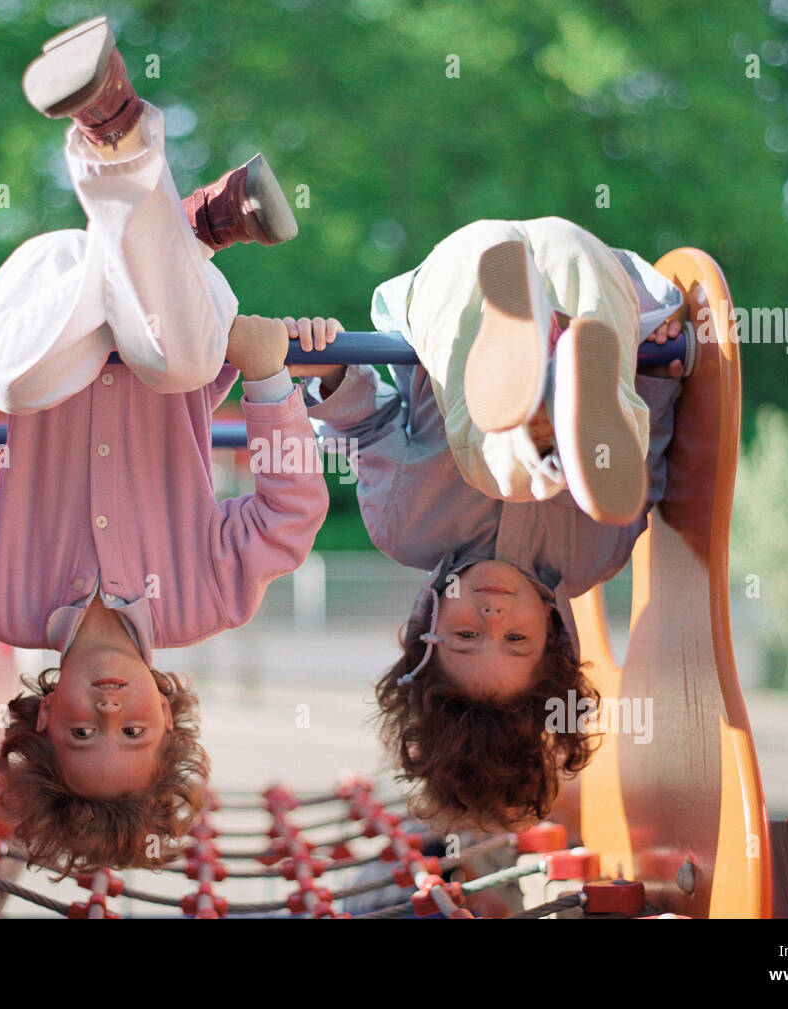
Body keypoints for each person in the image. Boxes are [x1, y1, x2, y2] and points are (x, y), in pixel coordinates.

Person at [0, 14, 337, 876]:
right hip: (173, 329)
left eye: (85, 732)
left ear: (42, 714)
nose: (108, 708)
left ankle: (189, 223)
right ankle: (120, 135)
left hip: (48, 304)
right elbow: (291, 515)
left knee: (9, 380)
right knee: (186, 357)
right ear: (170, 710)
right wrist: (272, 385)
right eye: (132, 731)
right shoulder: (209, 599)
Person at [295, 216, 690, 830]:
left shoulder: (404, 527)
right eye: (515, 641)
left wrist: (328, 376)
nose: (492, 618)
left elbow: (364, 426)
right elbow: (654, 459)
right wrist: (660, 372)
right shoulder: (597, 553)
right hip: (583, 266)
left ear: (428, 629)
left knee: (492, 451)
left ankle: (528, 413)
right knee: (618, 429)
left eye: (465, 638)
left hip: (460, 287)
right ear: (556, 638)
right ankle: (558, 397)